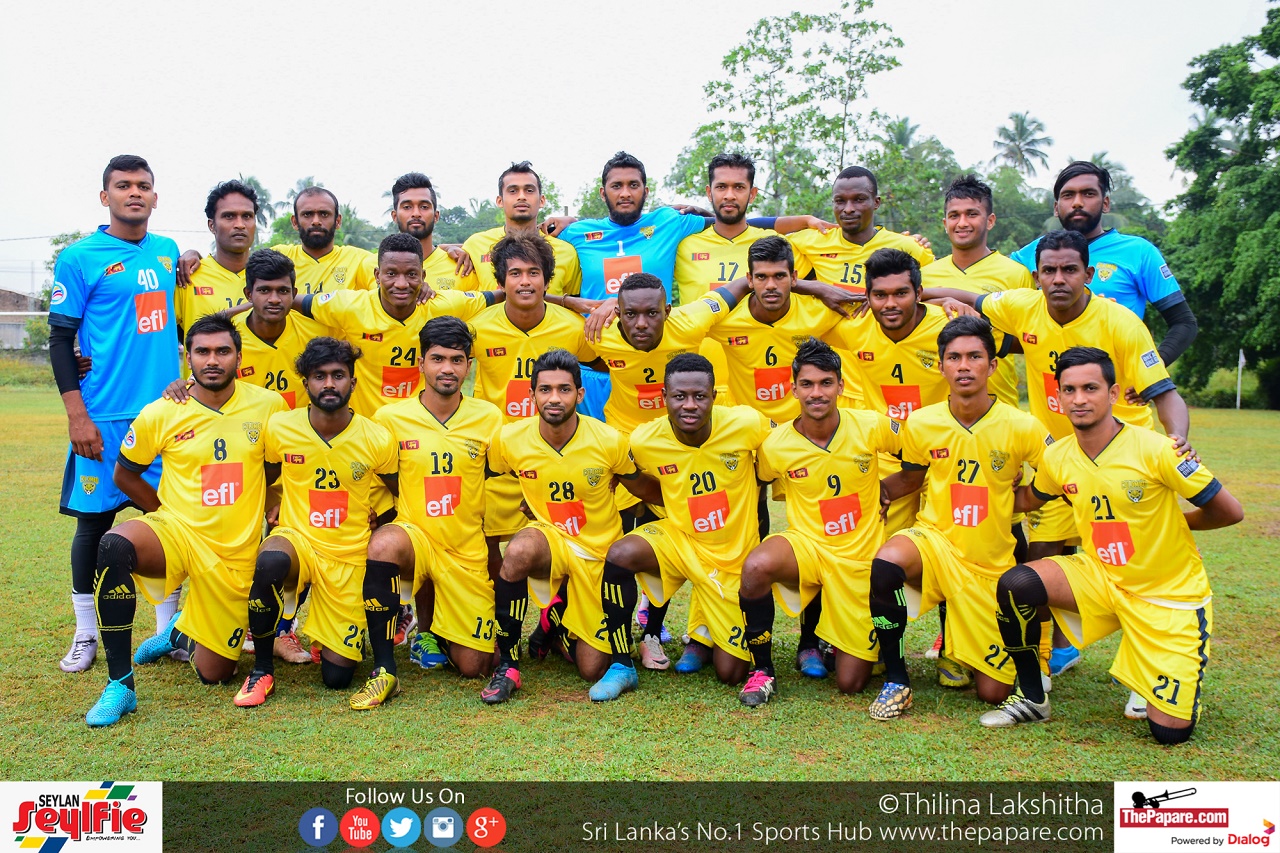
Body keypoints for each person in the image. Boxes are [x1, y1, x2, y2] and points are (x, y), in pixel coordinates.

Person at [931, 229, 1197, 707]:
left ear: (1088, 274)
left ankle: (1150, 666)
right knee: (1040, 556)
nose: (1057, 279)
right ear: (1036, 277)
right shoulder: (1021, 305)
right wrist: (884, 295)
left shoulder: (1121, 323)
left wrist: (1176, 439)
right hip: (1058, 458)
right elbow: (964, 294)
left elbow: (1165, 392)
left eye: (1069, 269)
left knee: (1132, 564)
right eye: (1048, 270)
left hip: (1121, 459)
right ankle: (1043, 658)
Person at [984, 347, 1241, 743]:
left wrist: (1172, 523)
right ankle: (1033, 698)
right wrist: (983, 471)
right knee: (1017, 583)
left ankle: (1159, 673)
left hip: (1167, 595)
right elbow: (1027, 498)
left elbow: (1229, 511)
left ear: (1114, 393)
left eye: (1091, 387)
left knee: (1168, 733)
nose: (1079, 398)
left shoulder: (1159, 449)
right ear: (1058, 397)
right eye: (1069, 389)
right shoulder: (1058, 458)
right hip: (1102, 580)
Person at [84, 315, 287, 726]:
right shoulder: (162, 411)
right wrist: (161, 514)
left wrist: (272, 510)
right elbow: (124, 473)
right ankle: (120, 685)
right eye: (203, 352)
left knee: (216, 675)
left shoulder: (268, 406)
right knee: (114, 545)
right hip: (175, 532)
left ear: (238, 356)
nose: (213, 360)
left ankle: (179, 632)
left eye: (222, 351)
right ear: (187, 358)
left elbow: (277, 470)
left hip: (234, 555)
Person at [865, 316, 1052, 721]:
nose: (964, 366)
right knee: (886, 563)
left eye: (974, 357)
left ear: (993, 365)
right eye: (954, 357)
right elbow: (912, 478)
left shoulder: (1023, 427)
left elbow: (1059, 475)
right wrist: (872, 491)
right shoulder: (921, 422)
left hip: (989, 563)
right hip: (935, 542)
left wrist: (1021, 499)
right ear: (941, 366)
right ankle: (896, 679)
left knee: (991, 692)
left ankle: (956, 646)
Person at [49, 154, 182, 674]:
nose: (134, 193)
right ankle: (85, 634)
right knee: (94, 524)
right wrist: (77, 417)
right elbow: (61, 341)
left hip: (162, 416)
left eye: (143, 186)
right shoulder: (79, 258)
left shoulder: (169, 252)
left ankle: (166, 630)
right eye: (123, 186)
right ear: (104, 197)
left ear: (154, 196)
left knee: (167, 521)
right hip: (102, 415)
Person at [481, 350, 660, 704]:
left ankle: (557, 620)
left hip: (597, 554)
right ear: (531, 395)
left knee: (592, 668)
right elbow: (484, 476)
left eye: (564, 389)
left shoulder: (609, 441)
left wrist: (677, 503)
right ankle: (509, 667)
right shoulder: (509, 440)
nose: (554, 398)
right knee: (517, 551)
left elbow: (639, 485)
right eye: (545, 389)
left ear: (579, 394)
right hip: (552, 541)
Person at [591, 354, 773, 701]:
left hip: (730, 559)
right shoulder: (645, 441)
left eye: (699, 396)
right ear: (664, 397)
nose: (689, 405)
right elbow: (627, 474)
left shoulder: (747, 424)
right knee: (621, 553)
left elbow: (785, 452)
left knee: (730, 672)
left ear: (714, 396)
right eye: (679, 396)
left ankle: (704, 637)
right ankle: (621, 662)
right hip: (679, 541)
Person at [233, 337, 399, 709]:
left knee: (337, 679)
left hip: (348, 555)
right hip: (299, 542)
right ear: (305, 382)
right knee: (271, 559)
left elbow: (398, 490)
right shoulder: (280, 428)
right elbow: (265, 476)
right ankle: (260, 670)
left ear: (353, 383)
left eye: (338, 375)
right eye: (319, 376)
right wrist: (274, 501)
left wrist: (382, 519)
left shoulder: (376, 438)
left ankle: (332, 639)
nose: (329, 384)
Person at [738, 339, 903, 705]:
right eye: (808, 384)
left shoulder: (872, 425)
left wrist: (887, 487)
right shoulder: (775, 445)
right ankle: (762, 671)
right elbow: (755, 483)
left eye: (826, 383)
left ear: (841, 386)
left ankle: (834, 641)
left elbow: (919, 457)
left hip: (859, 560)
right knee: (756, 566)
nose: (817, 393)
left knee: (850, 683)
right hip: (807, 547)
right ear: (792, 388)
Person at [367, 317, 504, 678]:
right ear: (421, 363)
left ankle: (442, 633)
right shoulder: (390, 418)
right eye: (438, 359)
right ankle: (387, 658)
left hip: (465, 548)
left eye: (457, 360)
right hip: (416, 538)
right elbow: (379, 474)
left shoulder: (489, 417)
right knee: (384, 545)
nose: (448, 368)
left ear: (469, 366)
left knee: (476, 667)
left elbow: (499, 470)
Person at [468, 234, 598, 570]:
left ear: (547, 279)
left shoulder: (572, 328)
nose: (525, 281)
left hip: (554, 452)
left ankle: (555, 618)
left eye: (533, 272)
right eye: (515, 273)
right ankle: (501, 620)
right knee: (489, 542)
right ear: (501, 281)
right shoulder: (479, 328)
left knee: (563, 543)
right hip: (497, 452)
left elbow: (602, 362)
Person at [1010, 161, 1197, 366]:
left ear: (1105, 203)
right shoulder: (1032, 254)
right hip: (1048, 392)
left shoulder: (1139, 252)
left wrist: (1150, 370)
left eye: (1088, 194)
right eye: (1068, 195)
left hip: (1117, 393)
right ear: (1056, 207)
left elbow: (1183, 323)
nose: (1078, 202)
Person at [921, 175, 1034, 409]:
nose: (962, 223)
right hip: (936, 409)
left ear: (990, 220)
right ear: (945, 223)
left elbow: (1030, 340)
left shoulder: (1016, 273)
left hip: (999, 406)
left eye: (972, 214)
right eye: (954, 216)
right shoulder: (924, 275)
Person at [673, 153, 780, 400]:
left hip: (760, 384)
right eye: (722, 187)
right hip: (696, 386)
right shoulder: (682, 246)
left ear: (752, 194)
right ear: (709, 193)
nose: (729, 195)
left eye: (738, 187)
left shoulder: (774, 245)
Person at [789, 166, 935, 289]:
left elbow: (938, 286)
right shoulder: (811, 240)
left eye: (859, 199)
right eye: (840, 201)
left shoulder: (907, 247)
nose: (848, 209)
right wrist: (805, 219)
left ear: (876, 202)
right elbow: (766, 235)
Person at [462, 162, 581, 296]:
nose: (522, 196)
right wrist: (447, 248)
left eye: (529, 190)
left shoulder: (566, 252)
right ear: (500, 201)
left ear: (541, 200)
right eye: (513, 191)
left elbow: (573, 306)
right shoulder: (474, 245)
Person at [176, 180, 259, 339]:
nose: (240, 225)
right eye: (229, 216)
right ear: (212, 226)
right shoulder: (187, 277)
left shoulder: (270, 277)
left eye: (247, 216)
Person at [389, 172, 476, 292]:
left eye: (424, 207)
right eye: (407, 207)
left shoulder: (463, 268)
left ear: (436, 216)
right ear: (394, 216)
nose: (416, 213)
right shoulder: (369, 267)